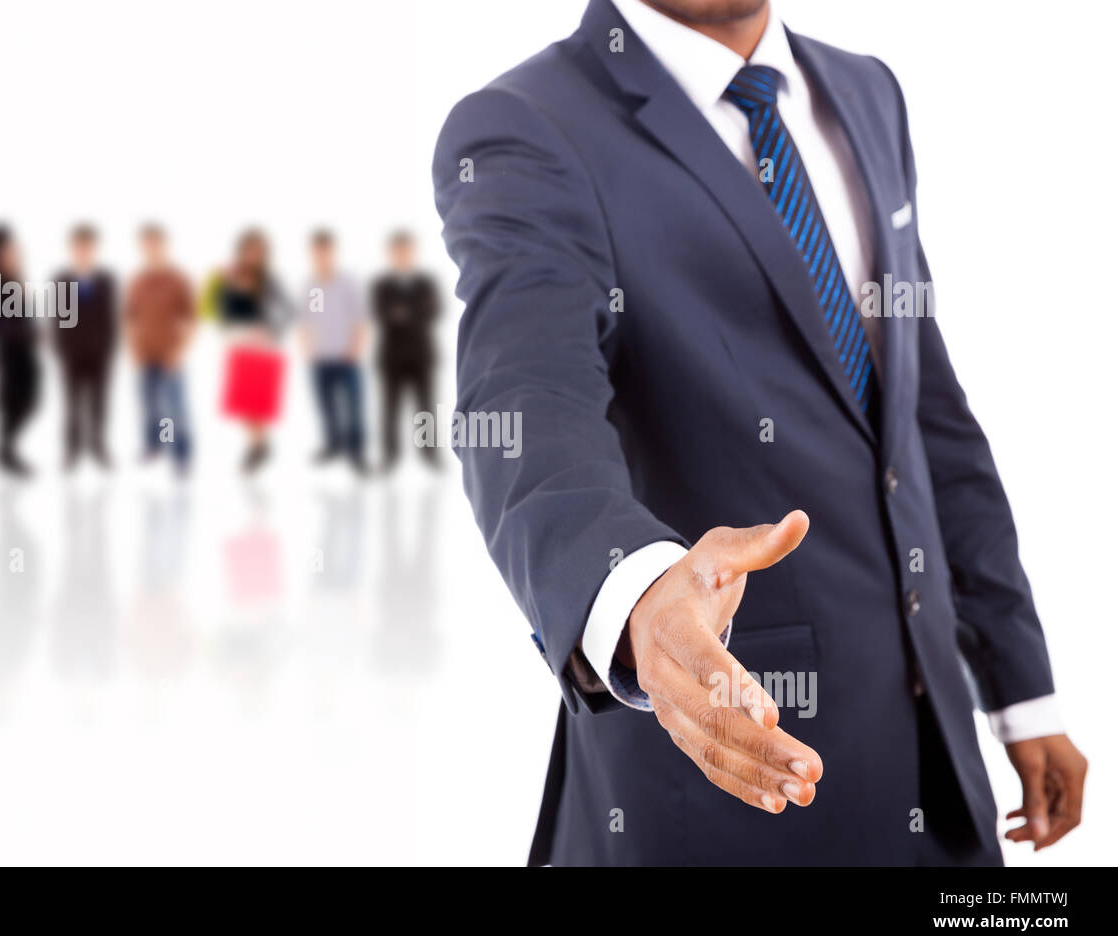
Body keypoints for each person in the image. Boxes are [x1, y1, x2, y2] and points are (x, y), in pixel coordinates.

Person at [432, 0, 1087, 866]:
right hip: (721, 798)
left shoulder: (865, 90)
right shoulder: (527, 125)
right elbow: (525, 404)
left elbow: (921, 415)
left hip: (938, 784)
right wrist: (635, 597)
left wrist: (1018, 687)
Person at [201, 228, 292, 472]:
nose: (253, 256)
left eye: (258, 251)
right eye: (249, 250)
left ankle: (258, 447)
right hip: (236, 345)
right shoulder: (226, 276)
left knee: (257, 404)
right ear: (240, 251)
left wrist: (271, 331)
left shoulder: (270, 280)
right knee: (243, 403)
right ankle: (258, 446)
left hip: (261, 347)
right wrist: (217, 283)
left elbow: (289, 311)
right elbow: (207, 308)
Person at [125, 224, 196, 476]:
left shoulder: (177, 279)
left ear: (164, 245)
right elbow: (128, 318)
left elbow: (191, 319)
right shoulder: (137, 281)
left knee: (174, 409)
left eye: (156, 244)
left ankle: (180, 454)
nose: (152, 249)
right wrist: (132, 347)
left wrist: (180, 351)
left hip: (170, 356)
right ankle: (154, 446)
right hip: (145, 355)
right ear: (142, 248)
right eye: (147, 245)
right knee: (150, 406)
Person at [370, 230, 441, 472]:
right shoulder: (382, 285)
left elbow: (433, 311)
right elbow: (381, 314)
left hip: (421, 355)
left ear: (412, 252)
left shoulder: (426, 283)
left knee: (425, 406)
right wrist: (411, 312)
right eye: (397, 251)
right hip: (392, 357)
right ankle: (390, 455)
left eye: (406, 250)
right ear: (391, 254)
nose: (402, 255)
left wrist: (402, 313)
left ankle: (429, 455)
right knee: (390, 407)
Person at [0, 224, 41, 478]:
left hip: (26, 352)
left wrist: (35, 333)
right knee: (12, 404)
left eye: (14, 250)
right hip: (9, 354)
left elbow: (25, 316)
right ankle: (6, 452)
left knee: (31, 402)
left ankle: (4, 449)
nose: (13, 254)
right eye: (7, 251)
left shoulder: (16, 278)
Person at [300, 230, 367, 474]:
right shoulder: (312, 286)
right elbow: (308, 319)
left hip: (346, 356)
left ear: (332, 252)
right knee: (326, 406)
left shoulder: (347, 283)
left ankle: (356, 453)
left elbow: (359, 317)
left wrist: (356, 347)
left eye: (325, 251)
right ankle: (333, 445)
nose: (322, 256)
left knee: (354, 407)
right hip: (321, 358)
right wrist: (308, 347)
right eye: (317, 252)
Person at [52, 224, 117, 470]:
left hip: (100, 353)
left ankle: (98, 446)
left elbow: (110, 318)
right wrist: (61, 349)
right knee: (71, 403)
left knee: (100, 402)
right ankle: (72, 449)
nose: (83, 252)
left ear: (94, 249)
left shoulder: (106, 280)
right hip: (72, 354)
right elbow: (57, 319)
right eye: (79, 247)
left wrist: (109, 349)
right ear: (72, 249)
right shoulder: (61, 280)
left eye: (88, 247)